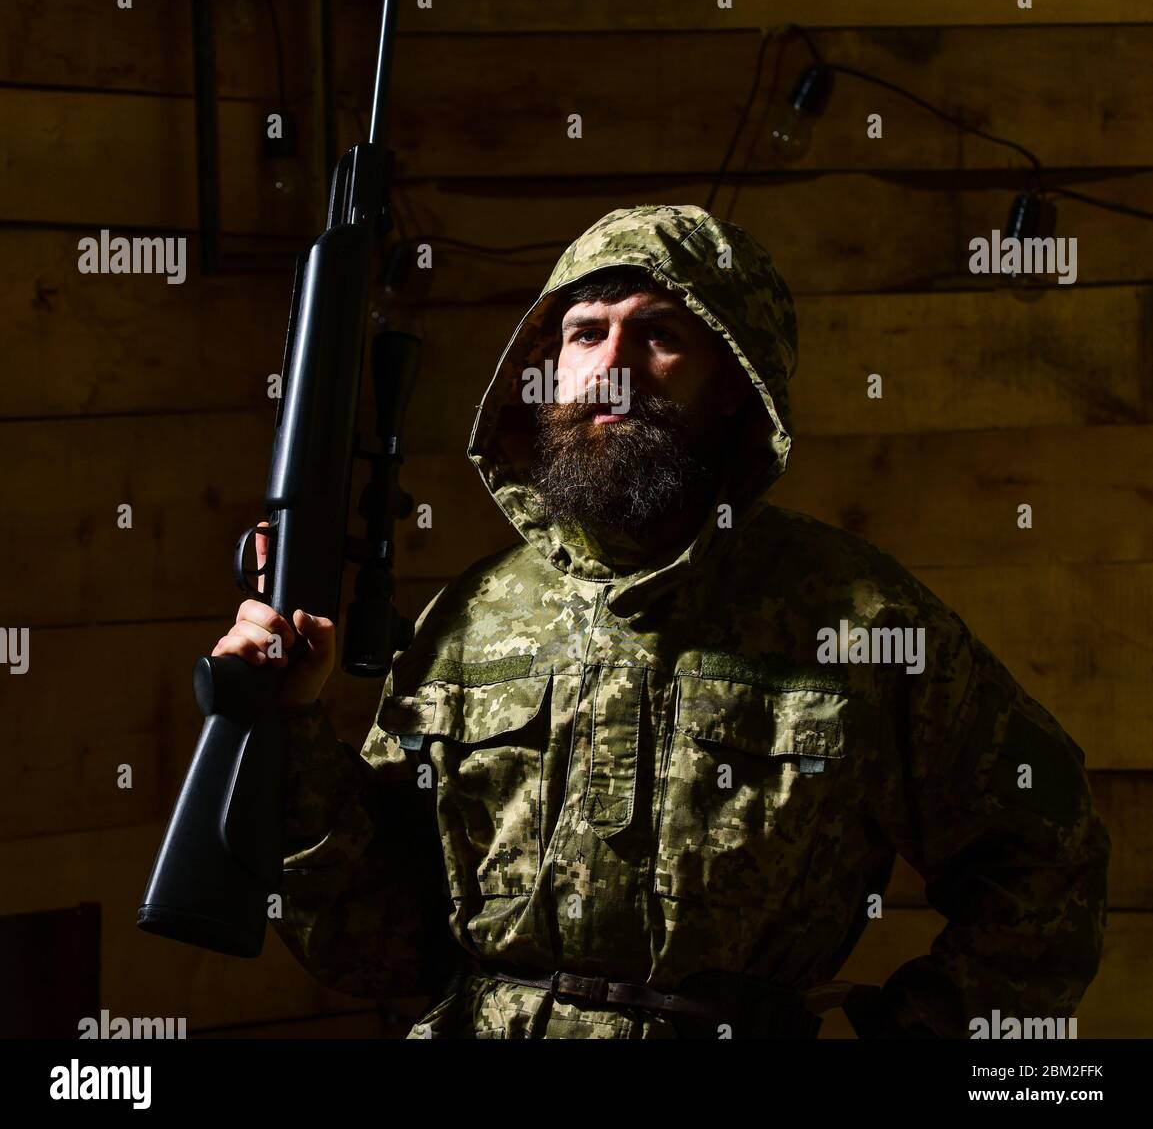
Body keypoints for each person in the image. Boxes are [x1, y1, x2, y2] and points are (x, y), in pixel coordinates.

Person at [211, 204, 1110, 1039]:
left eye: (660, 335)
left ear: (734, 383)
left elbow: (1045, 853)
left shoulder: (854, 615)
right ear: (547, 368)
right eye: (583, 334)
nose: (611, 367)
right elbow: (376, 948)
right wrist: (293, 735)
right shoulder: (470, 622)